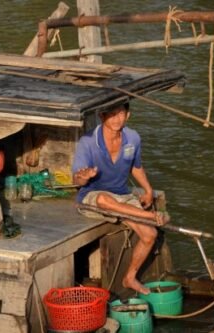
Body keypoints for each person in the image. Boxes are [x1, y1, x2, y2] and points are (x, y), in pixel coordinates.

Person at [72, 102, 169, 295]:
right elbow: (77, 179)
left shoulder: (133, 138)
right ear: (102, 116)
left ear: (128, 115)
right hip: (92, 196)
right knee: (103, 200)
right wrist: (85, 176)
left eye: (121, 114)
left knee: (150, 235)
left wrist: (148, 190)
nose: (117, 119)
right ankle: (151, 217)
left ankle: (129, 277)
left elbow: (136, 166)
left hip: (122, 195)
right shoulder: (88, 141)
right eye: (112, 114)